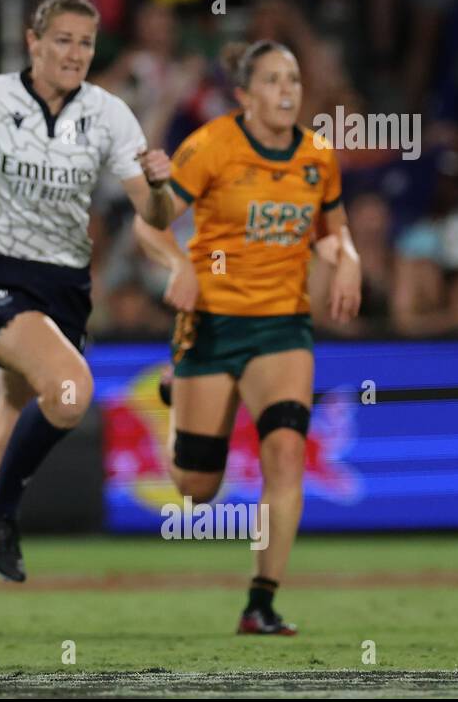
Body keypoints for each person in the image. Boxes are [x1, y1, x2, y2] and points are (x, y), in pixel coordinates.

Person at [0, 0, 174, 605]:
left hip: (67, 289)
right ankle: (4, 512)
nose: (75, 53)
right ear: (33, 41)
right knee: (71, 393)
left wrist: (159, 189)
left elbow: (153, 213)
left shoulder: (109, 113)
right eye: (64, 39)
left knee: (1, 449)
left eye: (87, 42)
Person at [136, 39, 361, 635]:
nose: (287, 90)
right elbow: (149, 222)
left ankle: (261, 602)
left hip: (283, 326)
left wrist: (349, 257)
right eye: (272, 80)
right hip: (212, 322)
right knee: (197, 489)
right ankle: (174, 393)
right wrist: (179, 262)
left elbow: (332, 230)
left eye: (292, 78)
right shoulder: (211, 146)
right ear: (244, 93)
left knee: (285, 453)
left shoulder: (317, 154)